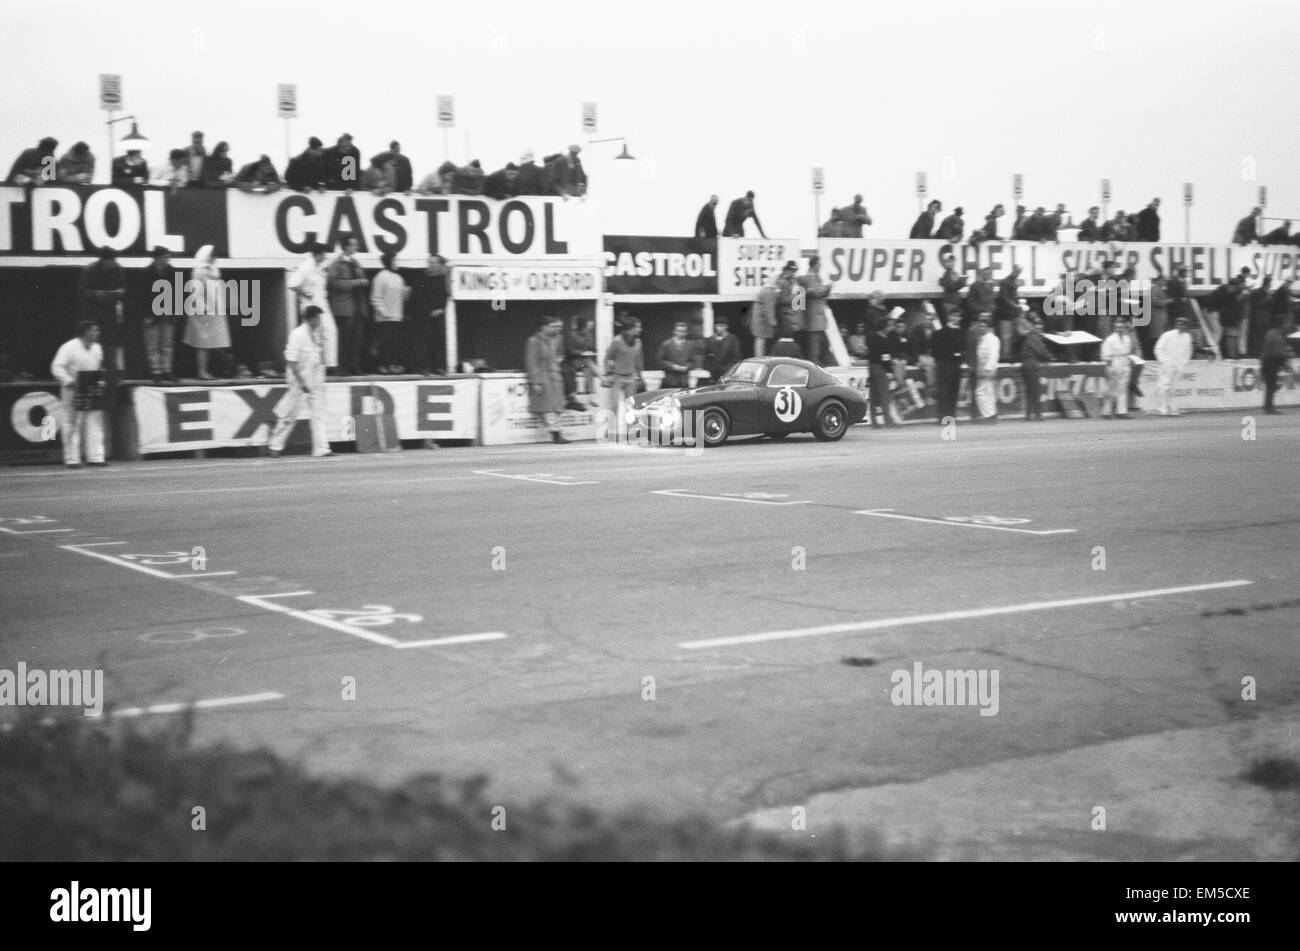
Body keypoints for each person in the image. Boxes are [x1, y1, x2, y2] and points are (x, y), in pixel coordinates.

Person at [267, 306, 331, 458]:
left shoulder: (317, 333)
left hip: (315, 380)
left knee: (319, 415)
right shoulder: (297, 335)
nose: (319, 321)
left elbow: (319, 357)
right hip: (299, 381)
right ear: (309, 319)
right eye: (317, 318)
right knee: (290, 415)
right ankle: (275, 445)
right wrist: (302, 383)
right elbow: (291, 362)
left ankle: (322, 448)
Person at [51, 322, 107, 468]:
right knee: (72, 422)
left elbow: (99, 367)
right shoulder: (69, 347)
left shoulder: (97, 348)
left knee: (95, 421)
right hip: (73, 389)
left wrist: (100, 380)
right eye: (95, 330)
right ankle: (72, 459)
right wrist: (69, 381)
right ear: (86, 332)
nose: (97, 333)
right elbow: (56, 367)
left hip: (91, 389)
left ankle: (95, 456)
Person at [181, 246, 230, 380]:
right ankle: (202, 372)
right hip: (203, 314)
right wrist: (203, 309)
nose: (214, 258)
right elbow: (195, 292)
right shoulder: (199, 271)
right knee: (203, 344)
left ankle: (218, 370)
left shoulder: (215, 270)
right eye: (212, 255)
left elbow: (217, 292)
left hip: (216, 312)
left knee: (216, 343)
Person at [288, 245, 338, 372]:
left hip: (322, 303)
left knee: (330, 331)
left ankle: (330, 364)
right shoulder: (305, 267)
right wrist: (304, 293)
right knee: (312, 335)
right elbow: (292, 284)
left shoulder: (320, 267)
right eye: (323, 254)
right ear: (318, 254)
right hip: (310, 304)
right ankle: (311, 365)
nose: (325, 257)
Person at [327, 238, 370, 375]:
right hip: (343, 308)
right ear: (346, 246)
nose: (357, 246)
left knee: (357, 340)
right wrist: (357, 282)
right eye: (354, 244)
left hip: (357, 306)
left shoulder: (356, 263)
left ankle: (355, 367)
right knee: (344, 340)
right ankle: (342, 367)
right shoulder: (336, 264)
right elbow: (335, 284)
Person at [78, 249, 126, 372]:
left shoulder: (117, 269)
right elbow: (83, 292)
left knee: (111, 342)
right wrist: (97, 294)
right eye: (111, 262)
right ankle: (92, 368)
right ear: (104, 261)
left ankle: (112, 370)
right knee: (93, 341)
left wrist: (117, 294)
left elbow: (122, 289)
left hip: (110, 312)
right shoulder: (89, 270)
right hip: (92, 311)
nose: (113, 264)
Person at [526, 316, 569, 443]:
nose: (554, 329)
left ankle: (557, 431)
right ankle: (556, 433)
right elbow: (531, 362)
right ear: (543, 327)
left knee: (556, 407)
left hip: (554, 377)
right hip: (543, 377)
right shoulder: (533, 341)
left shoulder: (551, 341)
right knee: (548, 407)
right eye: (552, 326)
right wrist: (536, 381)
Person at [407, 255, 449, 375]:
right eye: (430, 262)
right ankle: (423, 367)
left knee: (439, 340)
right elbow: (416, 297)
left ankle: (439, 367)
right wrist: (428, 311)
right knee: (424, 341)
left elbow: (444, 295)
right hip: (424, 315)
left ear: (439, 264)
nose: (432, 264)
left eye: (434, 262)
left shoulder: (441, 278)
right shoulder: (421, 278)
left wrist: (441, 308)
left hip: (439, 314)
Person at [142, 246, 178, 383]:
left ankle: (167, 370)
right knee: (153, 344)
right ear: (157, 258)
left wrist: (175, 312)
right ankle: (156, 371)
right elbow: (143, 296)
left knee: (167, 344)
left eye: (168, 257)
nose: (167, 259)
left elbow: (177, 292)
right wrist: (147, 315)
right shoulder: (146, 273)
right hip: (152, 314)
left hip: (168, 313)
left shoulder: (172, 272)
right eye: (164, 257)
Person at [370, 252, 408, 374]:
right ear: (389, 262)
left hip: (397, 317)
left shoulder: (399, 278)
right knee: (384, 343)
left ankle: (393, 364)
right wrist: (384, 312)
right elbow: (375, 297)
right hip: (383, 318)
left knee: (395, 343)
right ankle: (382, 365)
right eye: (395, 261)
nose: (397, 263)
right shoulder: (380, 277)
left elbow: (402, 297)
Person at [930, 306, 965, 423]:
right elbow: (935, 351)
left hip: (956, 366)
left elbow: (963, 349)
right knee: (944, 392)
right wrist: (949, 355)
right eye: (954, 316)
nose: (956, 318)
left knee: (954, 392)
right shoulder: (941, 333)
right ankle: (942, 417)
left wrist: (959, 356)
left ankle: (951, 416)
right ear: (949, 317)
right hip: (945, 365)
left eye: (958, 316)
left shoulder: (961, 332)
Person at [796, 256, 833, 364]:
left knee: (822, 347)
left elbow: (821, 294)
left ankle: (820, 366)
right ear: (814, 264)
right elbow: (814, 292)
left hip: (820, 319)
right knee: (814, 350)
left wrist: (827, 289)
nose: (820, 266)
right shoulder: (805, 279)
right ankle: (814, 368)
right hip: (812, 320)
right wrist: (826, 288)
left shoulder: (818, 278)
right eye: (819, 264)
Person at [1154, 316, 1193, 415]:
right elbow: (1158, 349)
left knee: (1173, 388)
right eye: (1179, 323)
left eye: (1183, 324)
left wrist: (1184, 362)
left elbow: (1188, 351)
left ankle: (1171, 408)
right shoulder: (1167, 335)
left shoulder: (1187, 337)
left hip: (1179, 366)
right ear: (1176, 325)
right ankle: (1162, 408)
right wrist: (1164, 361)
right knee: (1164, 386)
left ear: (1186, 326)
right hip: (1167, 365)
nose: (1181, 326)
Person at [604, 318, 644, 414]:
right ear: (630, 328)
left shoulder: (638, 342)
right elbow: (608, 358)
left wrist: (640, 376)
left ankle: (629, 428)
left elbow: (639, 360)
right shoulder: (617, 341)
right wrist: (609, 373)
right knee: (614, 406)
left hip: (631, 376)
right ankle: (612, 428)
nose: (640, 329)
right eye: (638, 327)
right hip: (617, 376)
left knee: (631, 406)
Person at [1099, 317, 1136, 419]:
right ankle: (1105, 412)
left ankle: (1121, 411)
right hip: (1114, 364)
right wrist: (1110, 368)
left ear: (1124, 327)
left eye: (1121, 327)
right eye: (1117, 327)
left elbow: (1129, 352)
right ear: (1114, 327)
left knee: (1123, 389)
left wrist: (1130, 362)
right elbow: (1105, 356)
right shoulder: (1110, 340)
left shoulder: (1127, 338)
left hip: (1125, 364)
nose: (1119, 329)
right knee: (1111, 389)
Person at [866, 317, 899, 428]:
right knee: (884, 395)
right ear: (884, 327)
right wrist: (889, 370)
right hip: (880, 368)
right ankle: (888, 420)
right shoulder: (884, 339)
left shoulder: (872, 337)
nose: (891, 328)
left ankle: (874, 421)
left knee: (874, 395)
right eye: (889, 326)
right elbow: (885, 357)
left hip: (871, 366)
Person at [1260, 315, 1295, 415]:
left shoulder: (1271, 332)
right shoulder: (1278, 335)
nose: (1288, 325)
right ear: (1282, 324)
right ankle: (1269, 408)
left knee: (1270, 385)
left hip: (1265, 360)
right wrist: (1287, 357)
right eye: (1286, 323)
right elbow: (1277, 352)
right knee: (1271, 385)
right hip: (1271, 362)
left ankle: (1267, 406)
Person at [1019, 316, 1050, 420]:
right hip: (1032, 366)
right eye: (1038, 328)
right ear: (1035, 328)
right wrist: (1049, 358)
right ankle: (1038, 414)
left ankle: (1028, 415)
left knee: (1029, 391)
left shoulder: (1028, 337)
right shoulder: (1035, 338)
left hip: (1025, 366)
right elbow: (1042, 352)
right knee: (1036, 391)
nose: (1040, 330)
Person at [561, 316, 596, 410]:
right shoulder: (571, 335)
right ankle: (603, 378)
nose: (588, 329)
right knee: (588, 364)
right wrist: (581, 353)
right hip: (572, 361)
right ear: (581, 327)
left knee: (588, 369)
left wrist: (590, 351)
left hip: (582, 362)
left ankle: (591, 395)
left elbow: (591, 348)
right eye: (586, 327)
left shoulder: (588, 336)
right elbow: (569, 350)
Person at [973, 316, 1000, 423]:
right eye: (980, 326)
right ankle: (991, 415)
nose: (981, 328)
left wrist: (988, 370)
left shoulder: (992, 339)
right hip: (984, 368)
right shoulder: (984, 338)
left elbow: (993, 355)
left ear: (989, 327)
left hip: (988, 369)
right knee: (988, 392)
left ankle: (989, 415)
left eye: (983, 326)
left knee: (980, 393)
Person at [657, 320, 696, 389]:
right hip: (669, 381)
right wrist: (673, 366)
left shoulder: (691, 345)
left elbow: (692, 360)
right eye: (679, 331)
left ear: (686, 332)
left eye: (683, 331)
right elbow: (661, 360)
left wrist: (687, 367)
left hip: (684, 381)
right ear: (674, 331)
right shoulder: (666, 344)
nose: (681, 333)